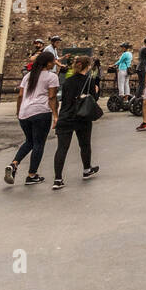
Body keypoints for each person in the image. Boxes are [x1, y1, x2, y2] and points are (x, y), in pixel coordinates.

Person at [5, 49, 59, 185]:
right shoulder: (52, 77)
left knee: (30, 141)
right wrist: (55, 115)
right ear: (47, 63)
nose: (54, 63)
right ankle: (32, 175)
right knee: (39, 143)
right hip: (41, 112)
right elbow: (52, 97)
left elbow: (20, 96)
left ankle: (14, 164)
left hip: (24, 113)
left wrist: (18, 112)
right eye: (53, 61)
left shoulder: (28, 76)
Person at [52, 55, 100, 190]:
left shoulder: (68, 81)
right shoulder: (89, 81)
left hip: (66, 116)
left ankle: (58, 179)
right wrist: (96, 90)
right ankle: (86, 169)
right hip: (82, 117)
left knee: (62, 148)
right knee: (84, 144)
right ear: (87, 66)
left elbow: (65, 99)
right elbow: (93, 99)